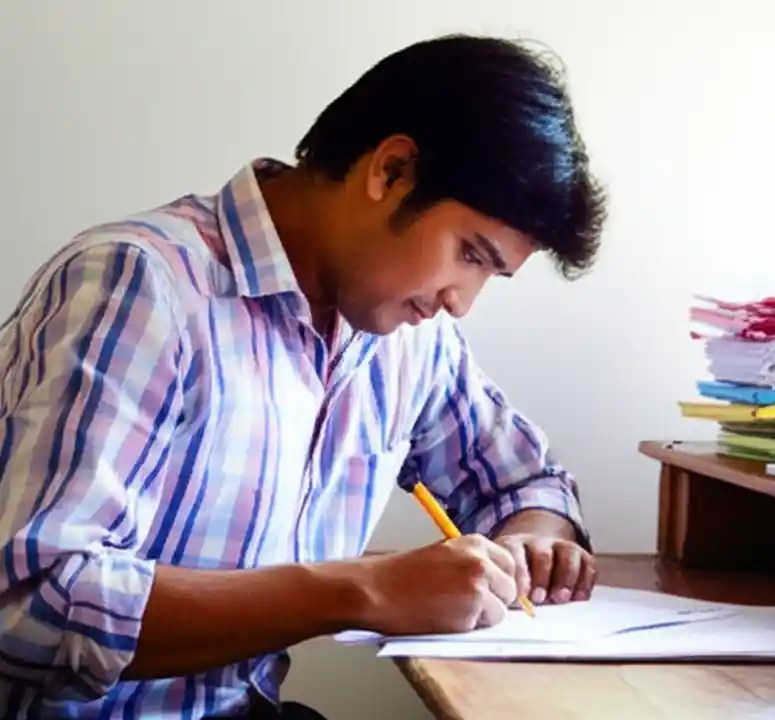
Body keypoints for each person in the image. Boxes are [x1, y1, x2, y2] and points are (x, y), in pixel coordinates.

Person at [0, 34, 606, 719]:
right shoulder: (140, 286)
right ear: (391, 171)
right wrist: (359, 590)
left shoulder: (408, 337)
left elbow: (525, 481)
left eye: (491, 274)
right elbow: (30, 606)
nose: (461, 301)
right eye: (470, 254)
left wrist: (532, 542)